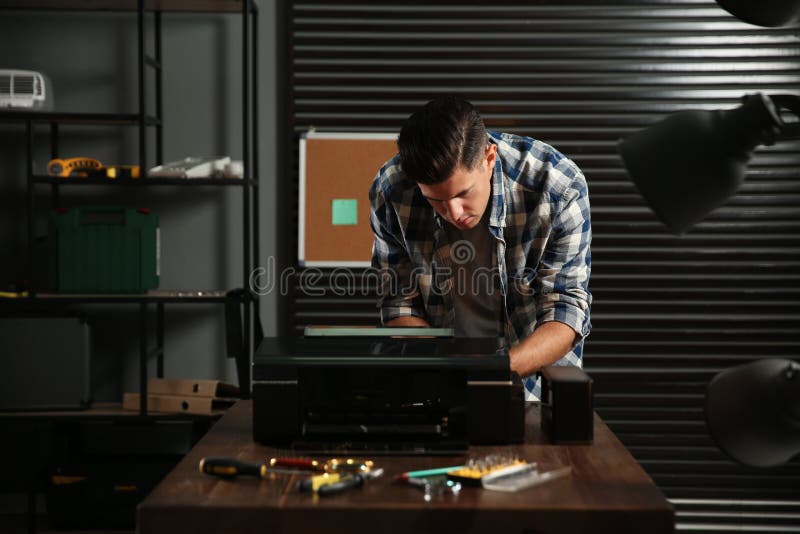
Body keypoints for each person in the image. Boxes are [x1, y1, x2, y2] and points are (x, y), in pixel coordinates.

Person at [369, 95, 592, 400]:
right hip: (436, 383)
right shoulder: (391, 189)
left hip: (536, 388)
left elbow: (565, 311)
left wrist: (491, 372)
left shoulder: (556, 186)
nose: (454, 213)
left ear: (489, 159)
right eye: (436, 201)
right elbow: (398, 303)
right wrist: (443, 370)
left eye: (464, 193)